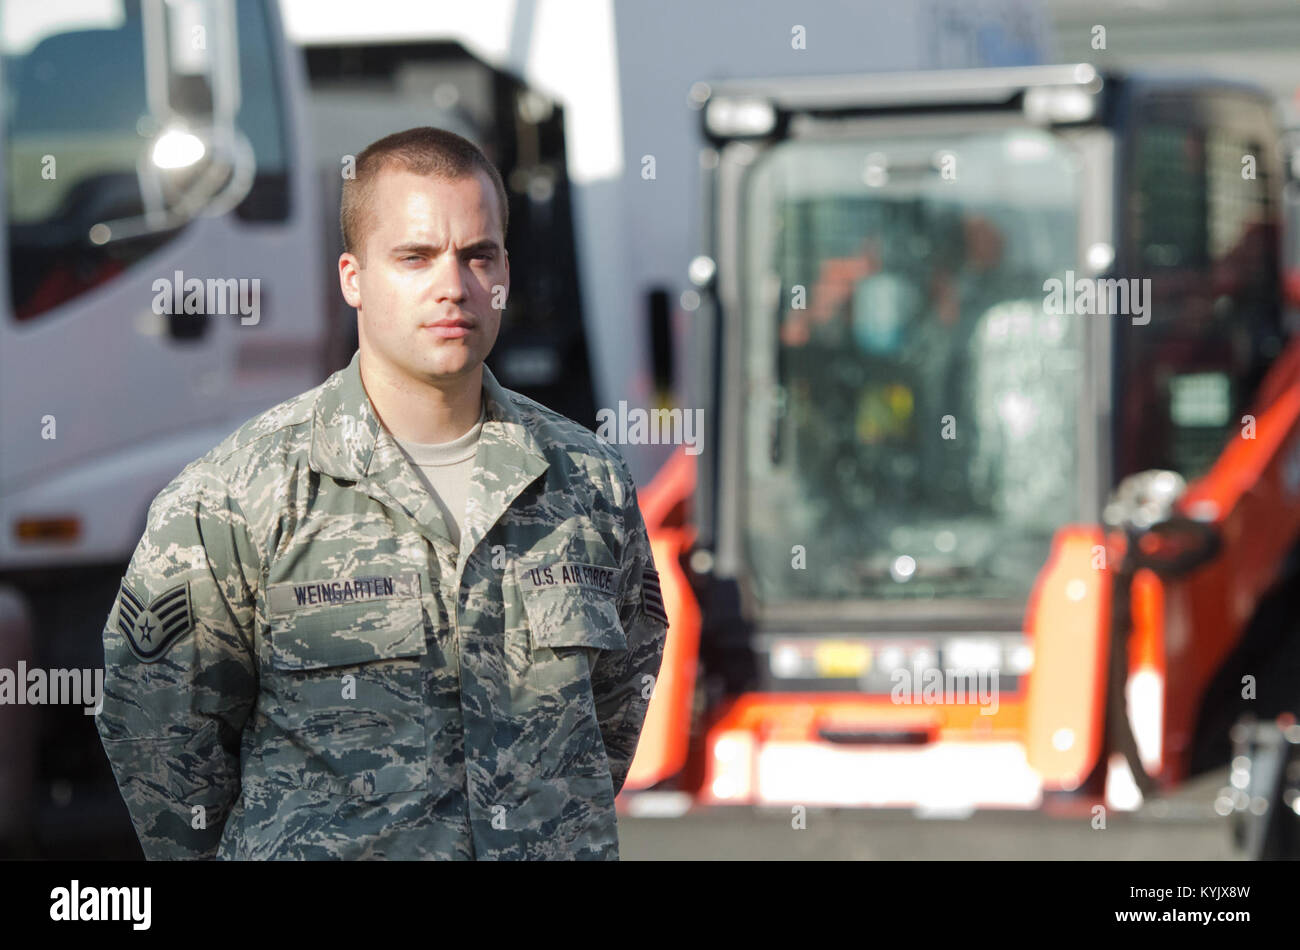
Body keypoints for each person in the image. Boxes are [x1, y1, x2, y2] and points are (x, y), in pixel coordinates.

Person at [96, 127, 669, 860]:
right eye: (415, 256)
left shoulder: (588, 481)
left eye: (477, 255)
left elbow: (616, 713)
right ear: (353, 277)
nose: (452, 285)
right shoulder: (239, 495)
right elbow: (159, 739)